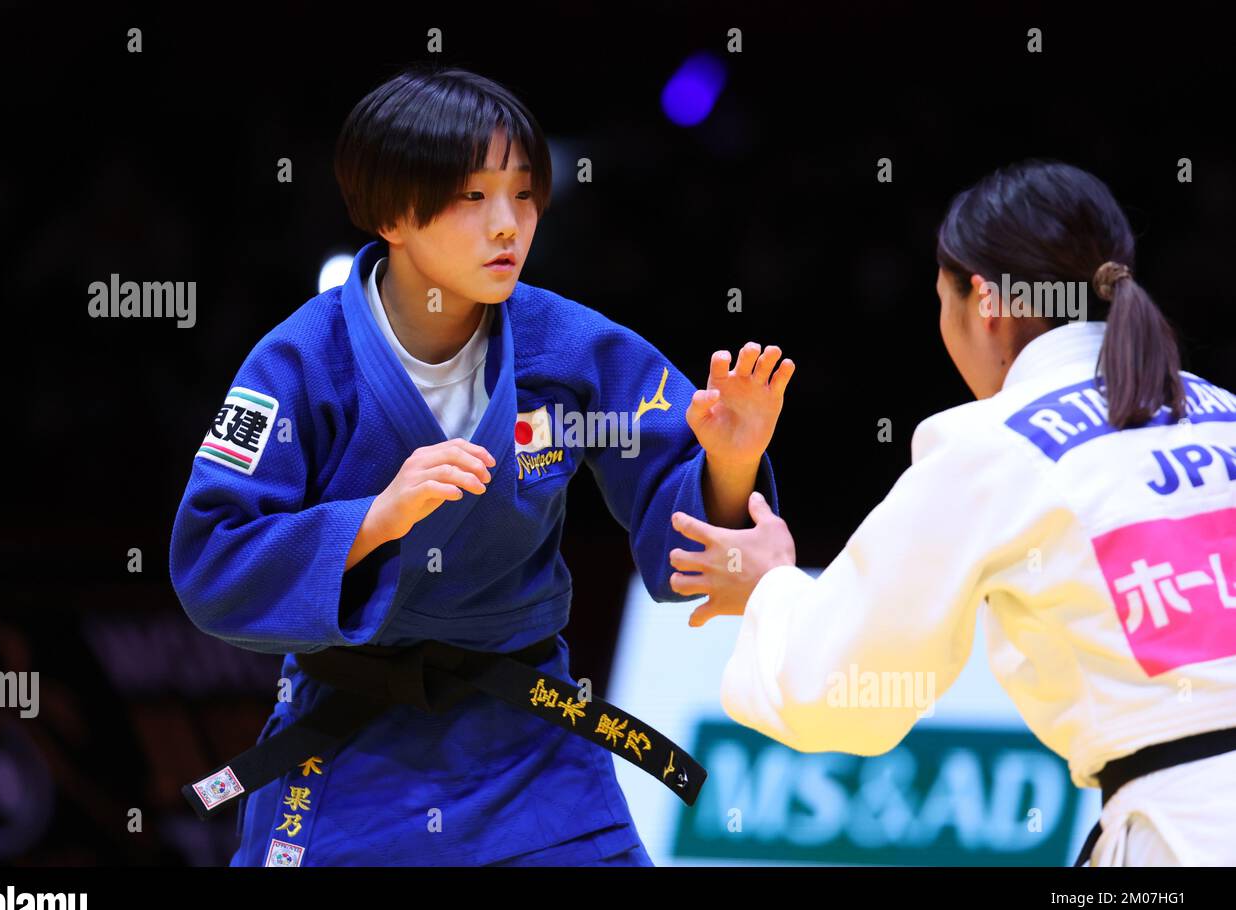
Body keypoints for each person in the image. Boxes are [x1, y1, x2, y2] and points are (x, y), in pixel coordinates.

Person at [169, 64, 793, 866]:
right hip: (352, 754)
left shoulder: (572, 351)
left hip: (530, 750)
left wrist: (732, 462)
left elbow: (692, 531)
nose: (509, 225)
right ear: (393, 209)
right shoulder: (299, 363)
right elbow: (214, 560)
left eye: (524, 193)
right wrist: (374, 519)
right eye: (473, 197)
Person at [668, 159, 1236, 866]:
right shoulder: (1224, 413)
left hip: (1184, 839)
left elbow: (842, 692)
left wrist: (772, 586)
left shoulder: (987, 445)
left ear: (985, 302)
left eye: (942, 301)